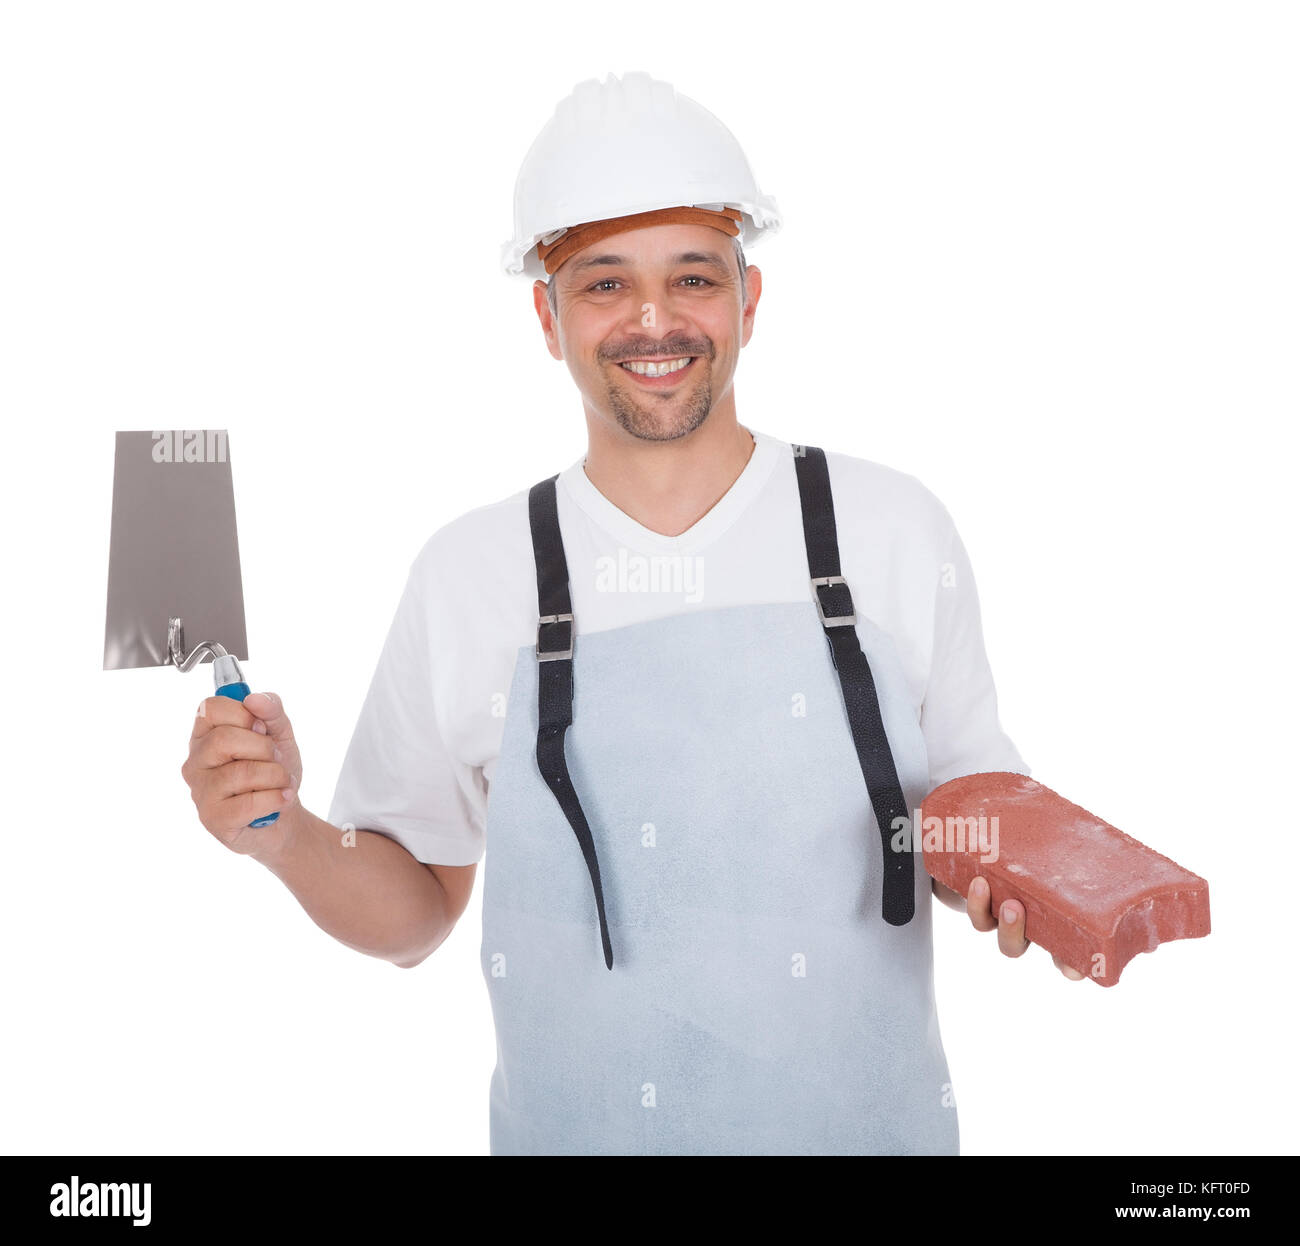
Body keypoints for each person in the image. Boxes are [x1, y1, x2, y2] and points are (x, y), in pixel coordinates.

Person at [180, 71, 1082, 1157]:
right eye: (604, 283)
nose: (654, 320)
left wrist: (1026, 881)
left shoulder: (892, 529)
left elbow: (973, 816)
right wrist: (281, 830)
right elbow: (415, 916)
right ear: (546, 316)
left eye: (692, 276)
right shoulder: (471, 574)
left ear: (749, 299)